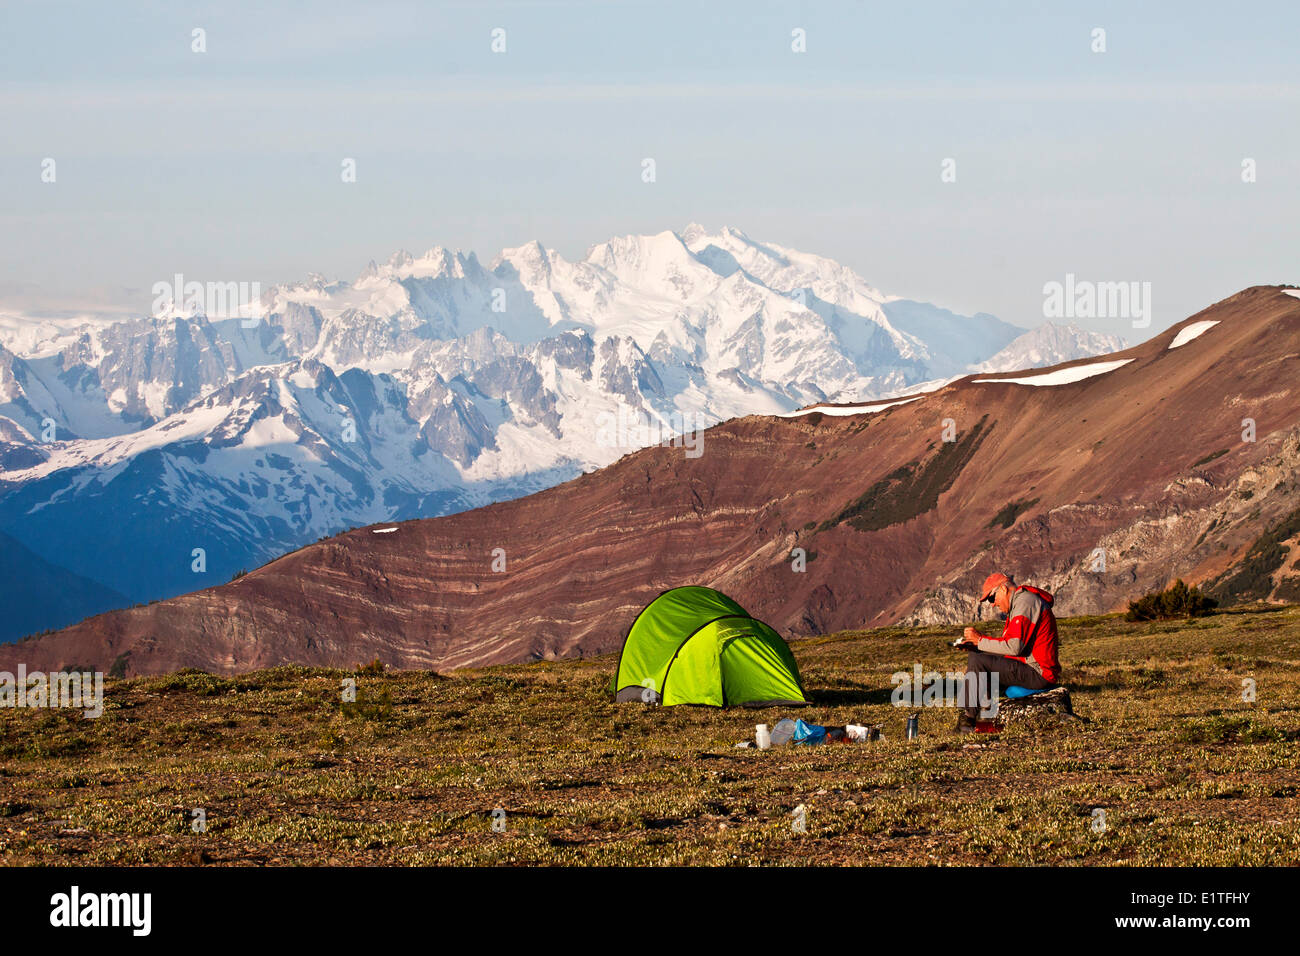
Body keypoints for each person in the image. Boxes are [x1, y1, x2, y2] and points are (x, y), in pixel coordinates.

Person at [955, 572, 1059, 732]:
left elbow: (1014, 647)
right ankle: (984, 718)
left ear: (1003, 589)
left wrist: (981, 641)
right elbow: (1009, 647)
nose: (993, 604)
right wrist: (977, 646)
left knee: (978, 660)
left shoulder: (1025, 602)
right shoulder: (1020, 604)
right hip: (1030, 667)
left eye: (991, 598)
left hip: (1038, 672)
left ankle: (967, 721)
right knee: (978, 657)